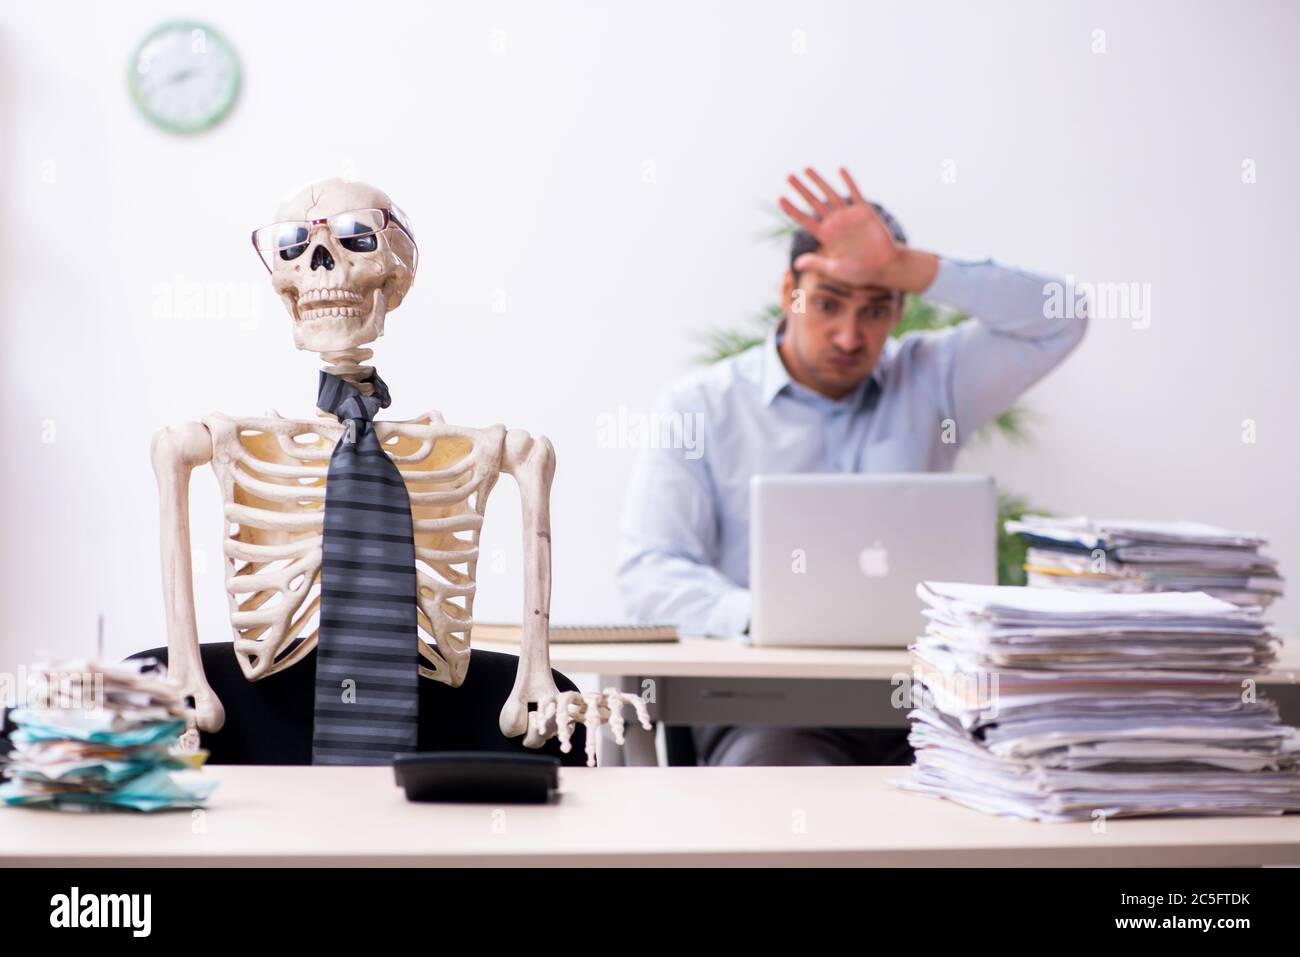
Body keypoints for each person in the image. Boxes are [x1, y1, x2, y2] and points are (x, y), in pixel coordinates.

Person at [616, 166, 1089, 766]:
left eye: (875, 309)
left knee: (1012, 786)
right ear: (788, 288)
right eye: (828, 303)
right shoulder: (701, 407)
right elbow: (649, 571)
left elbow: (1060, 318)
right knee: (775, 784)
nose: (848, 335)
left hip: (925, 705)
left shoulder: (933, 381)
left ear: (900, 308)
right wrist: (770, 616)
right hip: (764, 706)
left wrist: (911, 267)